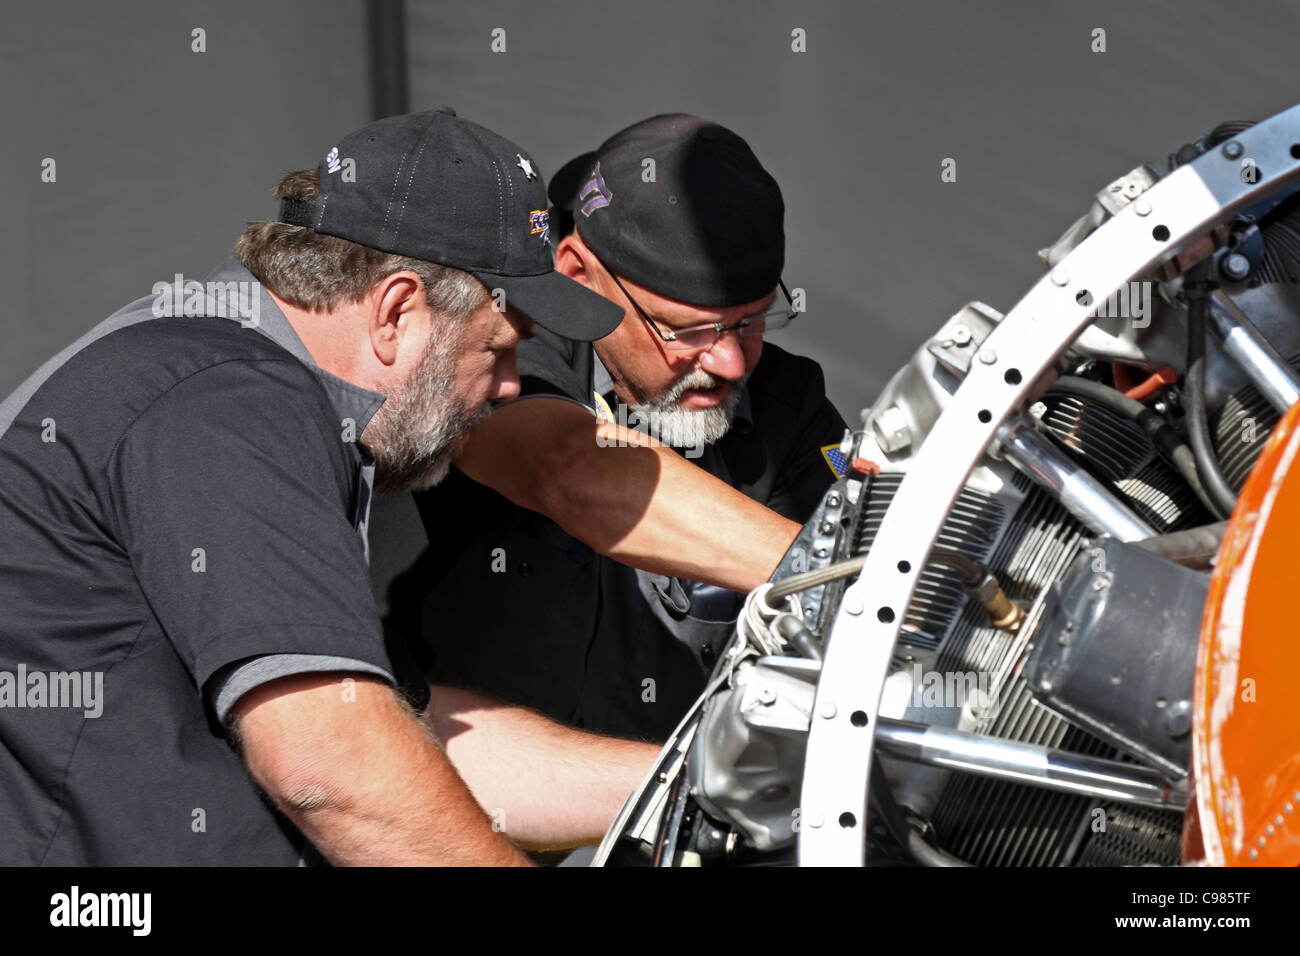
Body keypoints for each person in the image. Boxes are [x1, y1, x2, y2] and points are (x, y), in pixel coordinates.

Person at [0, 107, 659, 866]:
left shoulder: (236, 385)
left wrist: (694, 779)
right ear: (396, 310)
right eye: (497, 349)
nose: (509, 387)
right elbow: (333, 770)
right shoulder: (230, 400)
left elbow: (407, 744)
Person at [380, 114, 848, 740]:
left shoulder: (788, 406)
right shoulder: (498, 348)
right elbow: (566, 468)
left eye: (751, 321)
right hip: (441, 790)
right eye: (684, 330)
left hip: (655, 819)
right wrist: (846, 580)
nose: (731, 361)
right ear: (578, 276)